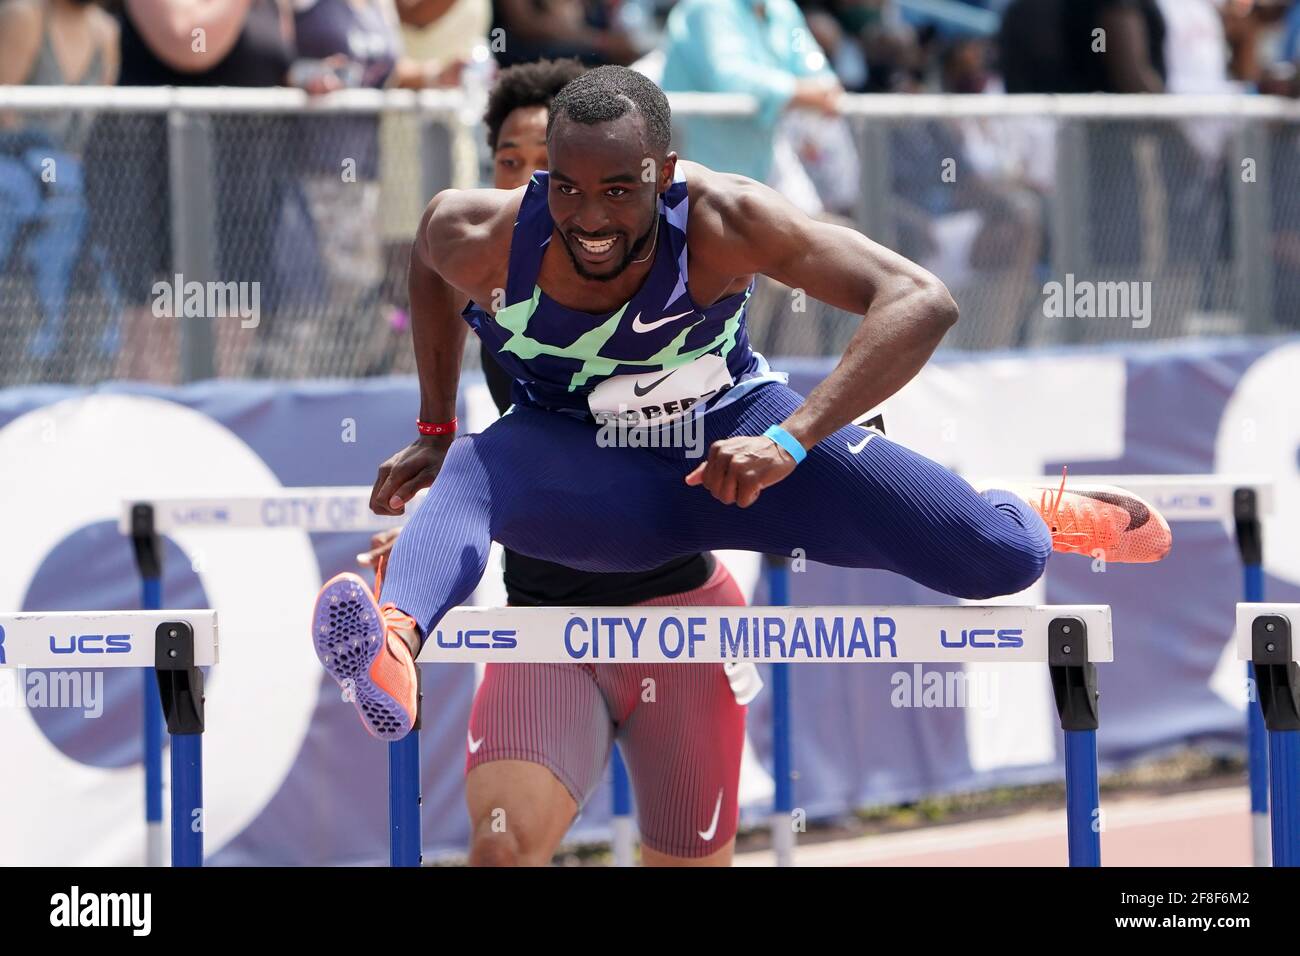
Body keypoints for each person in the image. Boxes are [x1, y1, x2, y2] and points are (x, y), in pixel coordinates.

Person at [312, 66, 1173, 867]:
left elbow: (922, 298)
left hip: (731, 445)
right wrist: (431, 422)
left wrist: (791, 437)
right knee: (473, 468)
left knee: (997, 559)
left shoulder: (726, 218)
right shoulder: (481, 234)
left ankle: (1018, 507)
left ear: (666, 171)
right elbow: (428, 270)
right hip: (578, 463)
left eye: (620, 190)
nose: (592, 220)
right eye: (567, 189)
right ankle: (392, 643)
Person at [360, 58, 755, 867]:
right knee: (502, 853)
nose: (540, 186)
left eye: (560, 169)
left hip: (677, 612)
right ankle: (396, 632)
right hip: (544, 622)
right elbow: (517, 459)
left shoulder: (655, 277)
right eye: (515, 163)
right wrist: (440, 511)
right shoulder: (496, 268)